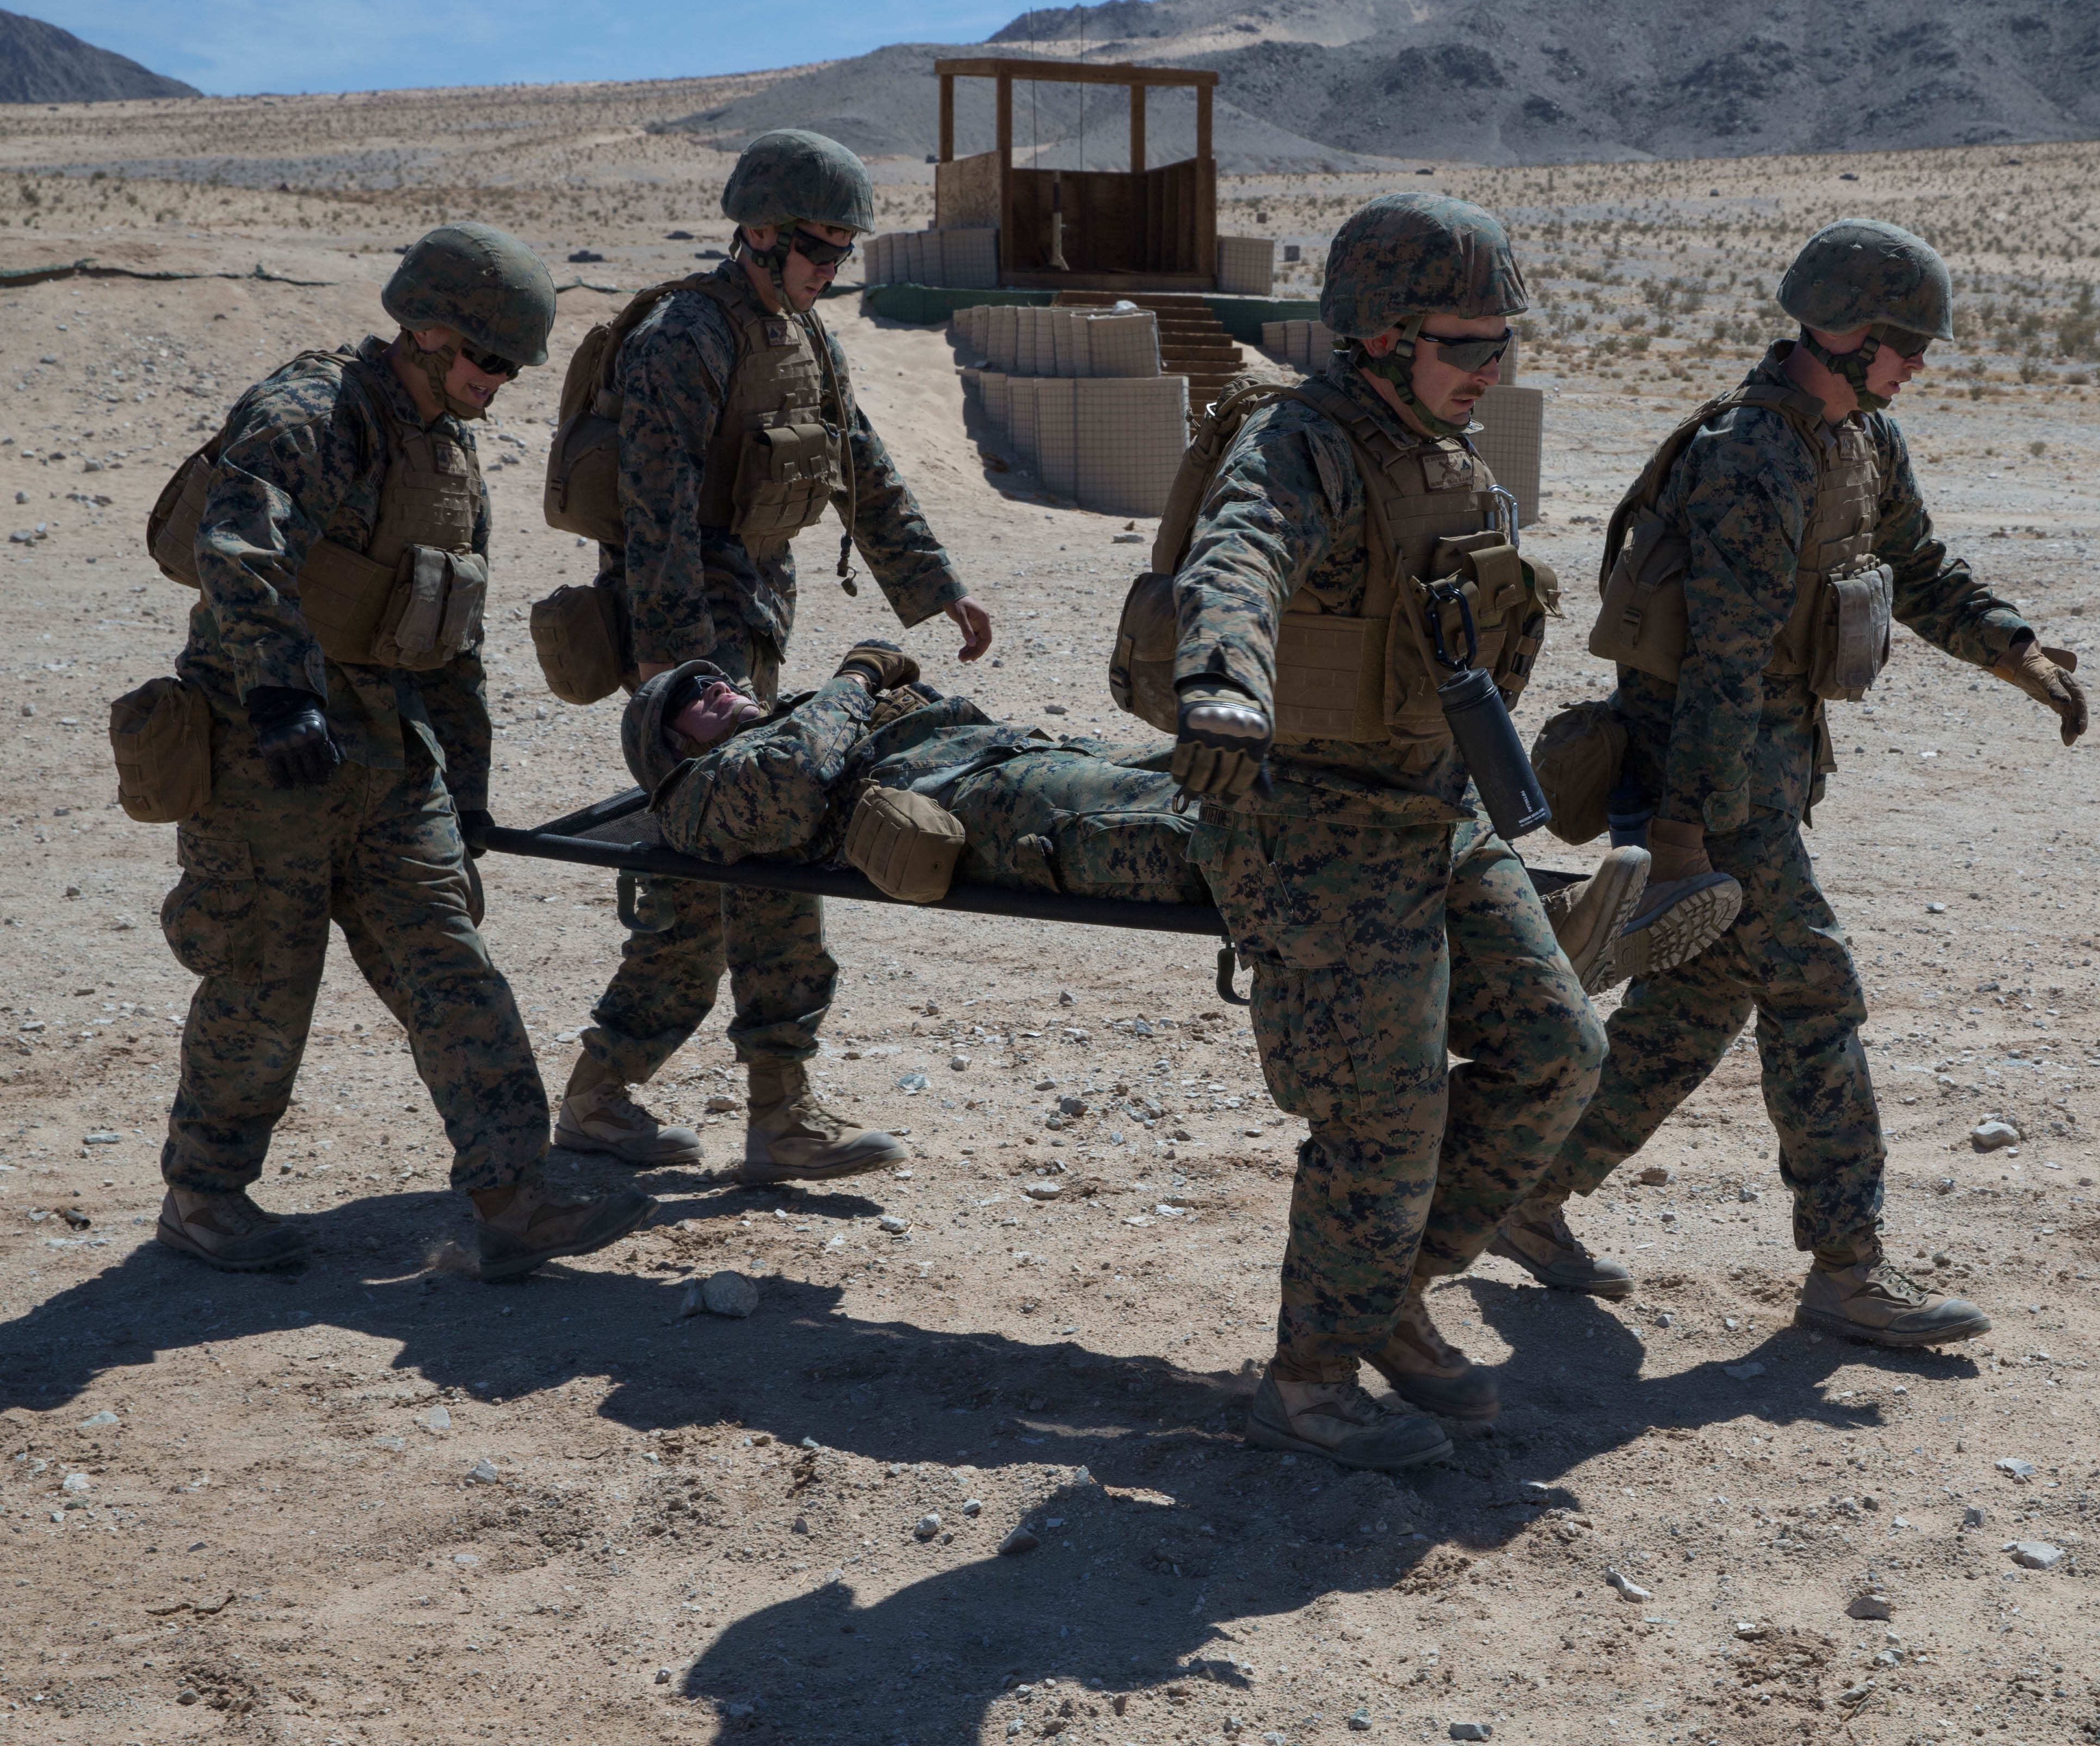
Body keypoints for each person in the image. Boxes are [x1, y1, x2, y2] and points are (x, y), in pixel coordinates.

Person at [1490, 219, 2091, 1349]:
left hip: (1767, 765)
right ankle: (1848, 1268)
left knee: (1695, 1007)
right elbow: (1720, 663)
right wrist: (1681, 838)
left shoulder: (1860, 437)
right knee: (1814, 991)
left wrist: (2014, 650)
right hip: (1714, 780)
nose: (1921, 364)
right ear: (1852, 333)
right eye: (1909, 342)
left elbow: (1915, 566)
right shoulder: (1751, 458)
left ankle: (1513, 1192)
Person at [1155, 194, 1609, 1471]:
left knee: (1559, 1052)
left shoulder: (1447, 457)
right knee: (1385, 1112)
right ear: (1379, 336)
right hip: (1312, 821)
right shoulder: (1301, 447)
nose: (1491, 370)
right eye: (1467, 346)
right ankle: (1306, 1381)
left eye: (1502, 345)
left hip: (1436, 808)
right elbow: (1237, 558)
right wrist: (1226, 680)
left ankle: (1394, 1292)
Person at [153, 225, 656, 1282]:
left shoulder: (450, 451)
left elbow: (452, 631)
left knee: (451, 963)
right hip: (264, 755)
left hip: (387, 756)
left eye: (513, 368)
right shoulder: (312, 412)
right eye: (488, 362)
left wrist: (465, 792)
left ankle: (516, 1197)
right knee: (263, 982)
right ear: (428, 334)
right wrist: (283, 696)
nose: (500, 385)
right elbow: (239, 544)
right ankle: (203, 1200)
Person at [560, 128, 993, 1184]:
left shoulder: (802, 338)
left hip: (757, 614)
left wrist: (939, 592)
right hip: (694, 635)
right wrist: (682, 685)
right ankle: (760, 1109)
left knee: (716, 865)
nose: (831, 271)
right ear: (758, 232)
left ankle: (624, 1095)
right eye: (818, 248)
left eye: (844, 253)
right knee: (742, 852)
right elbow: (651, 520)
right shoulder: (684, 339)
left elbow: (863, 467)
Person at [607, 655, 1691, 997]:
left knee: (1303, 784)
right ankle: (1546, 943)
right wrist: (850, 679)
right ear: (673, 749)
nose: (719, 691)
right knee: (1242, 845)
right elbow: (792, 776)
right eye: (691, 702)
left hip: (1042, 769)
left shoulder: (796, 722)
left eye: (713, 679)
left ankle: (1549, 918)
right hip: (1015, 829)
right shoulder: (704, 799)